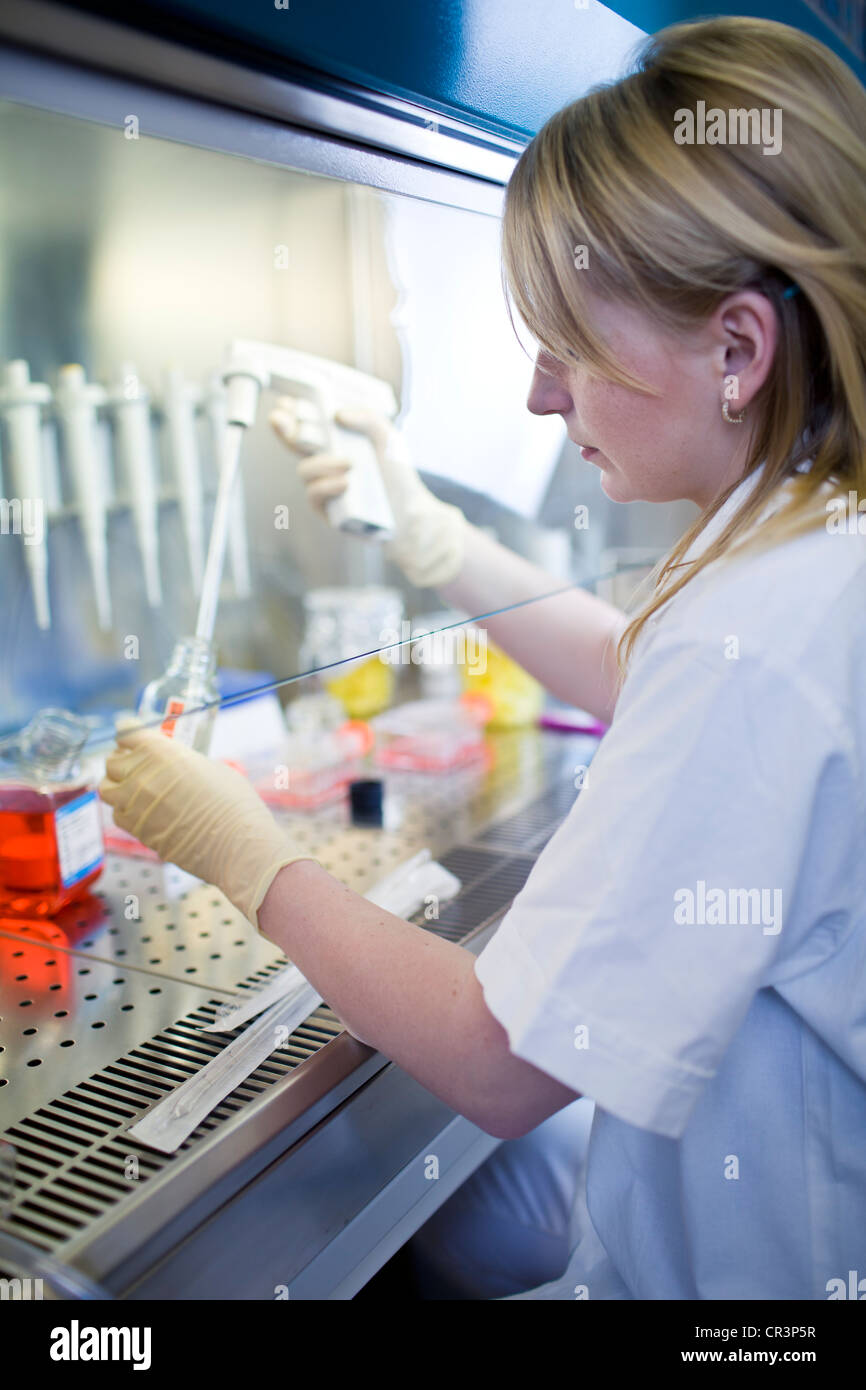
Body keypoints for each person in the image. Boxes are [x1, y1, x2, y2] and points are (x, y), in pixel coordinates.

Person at [100, 15, 866, 1300]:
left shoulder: (775, 632)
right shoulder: (813, 548)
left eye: (566, 340)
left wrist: (240, 849)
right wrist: (428, 532)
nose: (537, 394)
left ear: (735, 350)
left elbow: (500, 1063)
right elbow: (641, 669)